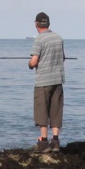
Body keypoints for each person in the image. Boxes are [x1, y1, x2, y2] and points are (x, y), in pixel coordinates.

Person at [28, 11, 65, 150]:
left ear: (36, 24)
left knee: (41, 110)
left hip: (43, 81)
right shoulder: (58, 38)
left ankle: (43, 141)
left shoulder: (39, 39)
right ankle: (55, 141)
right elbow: (63, 58)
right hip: (58, 79)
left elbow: (34, 61)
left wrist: (30, 64)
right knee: (56, 110)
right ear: (48, 24)